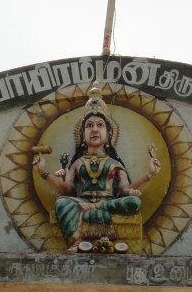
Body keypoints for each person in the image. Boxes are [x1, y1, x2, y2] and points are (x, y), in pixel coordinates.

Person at [32, 86, 161, 250]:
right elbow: (66, 191)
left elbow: (125, 190)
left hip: (107, 202)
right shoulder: (78, 163)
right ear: (82, 134)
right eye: (89, 126)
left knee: (134, 202)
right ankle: (75, 242)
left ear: (108, 134)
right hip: (81, 201)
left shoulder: (115, 164)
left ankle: (97, 208)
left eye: (100, 125)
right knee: (62, 203)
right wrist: (43, 172)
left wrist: (149, 175)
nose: (94, 129)